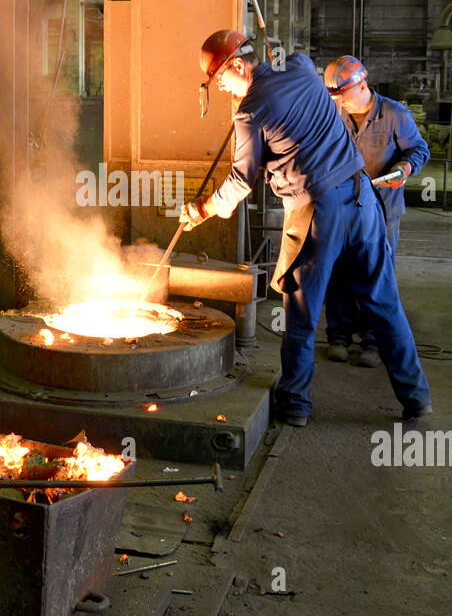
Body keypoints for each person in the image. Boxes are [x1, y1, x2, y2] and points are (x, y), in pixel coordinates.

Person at [182, 30, 432, 425]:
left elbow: (241, 182)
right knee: (385, 304)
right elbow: (291, 62)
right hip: (363, 198)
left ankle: (296, 405)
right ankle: (416, 398)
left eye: (222, 81)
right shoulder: (300, 67)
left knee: (300, 311)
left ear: (237, 66)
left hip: (317, 209)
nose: (225, 90)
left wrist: (201, 210)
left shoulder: (249, 112)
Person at [322, 56, 430, 368]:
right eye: (335, 97)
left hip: (383, 209)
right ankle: (339, 337)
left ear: (362, 85)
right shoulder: (335, 113)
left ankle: (371, 341)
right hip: (341, 207)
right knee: (339, 272)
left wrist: (403, 168)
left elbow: (419, 149)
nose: (340, 101)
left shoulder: (395, 114)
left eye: (343, 94)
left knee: (375, 273)